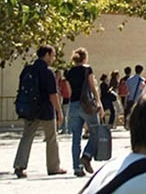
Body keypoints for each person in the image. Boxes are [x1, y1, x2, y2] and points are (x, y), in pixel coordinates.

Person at [12, 45, 65, 178]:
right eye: (52, 55)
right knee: (51, 138)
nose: (53, 58)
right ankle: (53, 167)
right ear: (46, 54)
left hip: (30, 109)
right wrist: (59, 111)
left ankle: (19, 165)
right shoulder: (48, 72)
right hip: (46, 110)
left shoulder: (27, 69)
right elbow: (53, 94)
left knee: (27, 136)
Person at [65, 47, 104, 177]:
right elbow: (92, 88)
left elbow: (70, 92)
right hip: (87, 104)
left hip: (74, 104)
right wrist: (99, 104)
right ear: (85, 58)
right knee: (96, 131)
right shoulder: (87, 69)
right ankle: (86, 156)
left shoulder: (68, 72)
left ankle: (77, 167)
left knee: (76, 137)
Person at [56, 69, 71, 134]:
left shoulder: (62, 82)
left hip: (64, 99)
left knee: (64, 115)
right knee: (69, 115)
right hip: (70, 99)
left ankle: (64, 129)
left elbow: (60, 90)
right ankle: (69, 129)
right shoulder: (70, 81)